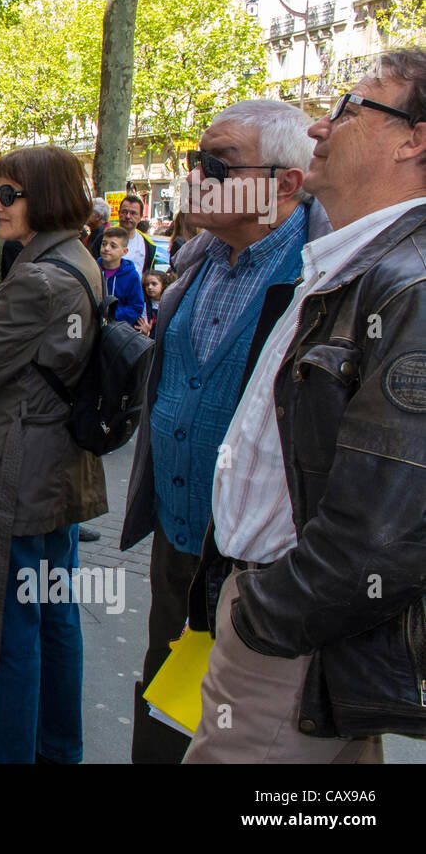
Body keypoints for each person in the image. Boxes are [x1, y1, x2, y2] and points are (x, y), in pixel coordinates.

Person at [183, 49, 426, 764]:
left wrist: (265, 617)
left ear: (414, 139)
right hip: (290, 625)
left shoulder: (407, 285)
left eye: (353, 107)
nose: (322, 126)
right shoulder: (359, 265)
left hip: (292, 639)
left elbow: (387, 524)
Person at [119, 98, 326, 764]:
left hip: (263, 570)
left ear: (285, 184)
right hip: (180, 545)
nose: (195, 178)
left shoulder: (326, 283)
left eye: (216, 164)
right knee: (162, 710)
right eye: (193, 162)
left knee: (251, 740)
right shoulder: (194, 267)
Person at [0, 146, 108, 764]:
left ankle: (5, 756)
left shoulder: (38, 277)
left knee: (11, 628)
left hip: (20, 469)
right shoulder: (78, 258)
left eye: (7, 193)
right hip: (59, 466)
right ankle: (58, 750)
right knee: (56, 617)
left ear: (42, 196)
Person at [98, 226, 145, 325]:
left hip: (117, 331)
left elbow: (136, 307)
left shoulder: (132, 276)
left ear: (124, 251)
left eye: (113, 246)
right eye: (104, 244)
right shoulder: (93, 268)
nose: (106, 248)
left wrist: (111, 315)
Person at [117, 194, 156, 275]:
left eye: (133, 213)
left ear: (140, 217)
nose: (128, 216)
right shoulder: (104, 238)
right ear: (119, 213)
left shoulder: (148, 245)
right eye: (124, 212)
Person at [137, 270, 172, 335]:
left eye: (154, 284)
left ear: (163, 285)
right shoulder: (144, 306)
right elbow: (143, 327)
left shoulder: (171, 304)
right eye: (147, 285)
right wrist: (145, 332)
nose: (150, 287)